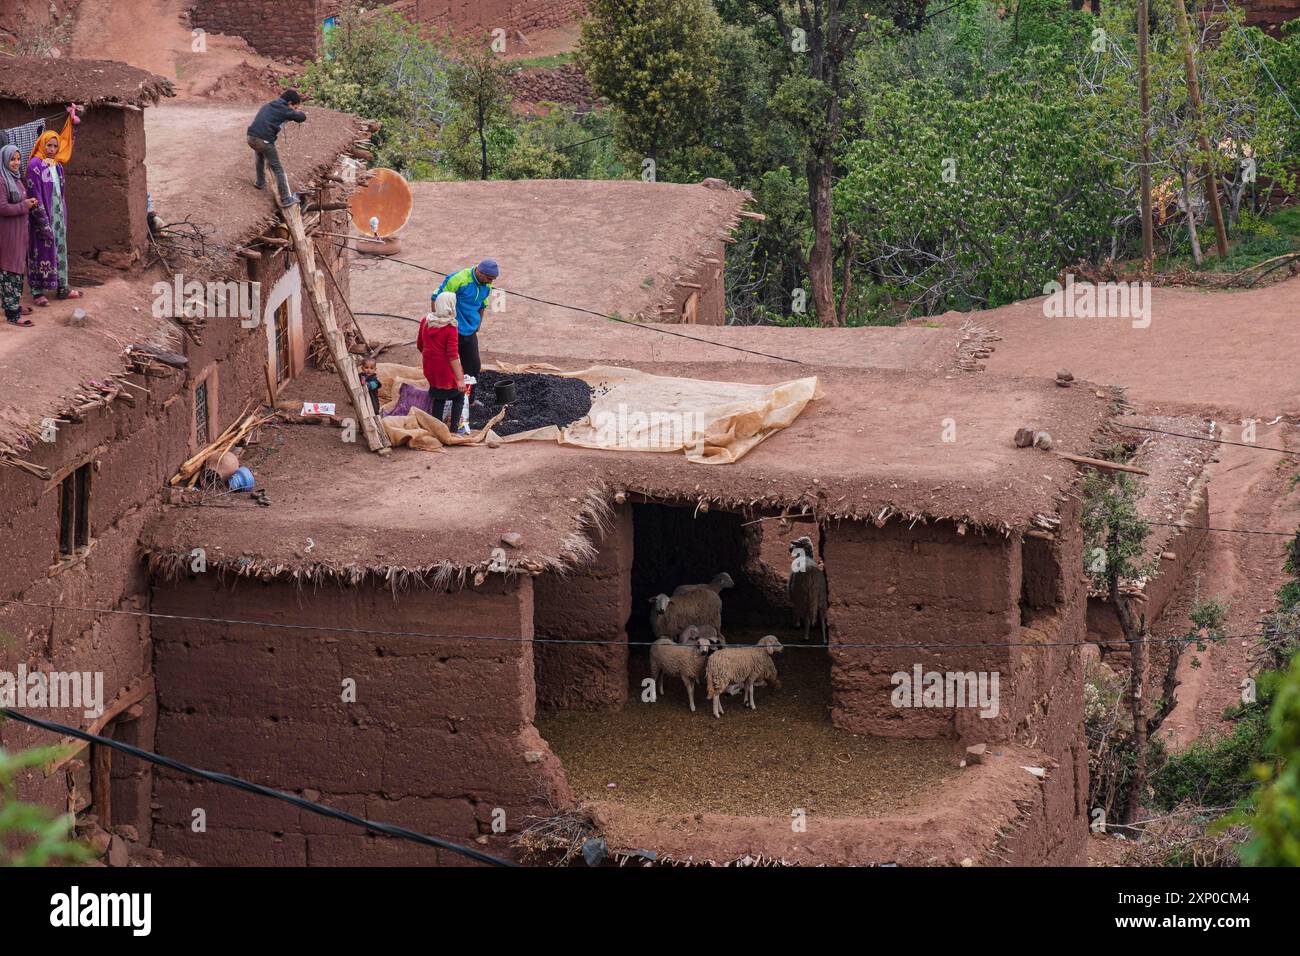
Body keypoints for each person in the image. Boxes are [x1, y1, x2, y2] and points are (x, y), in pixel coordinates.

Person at [432, 258, 498, 434]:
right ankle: (444, 400)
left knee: (473, 365)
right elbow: (437, 298)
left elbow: (482, 306)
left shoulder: (487, 286)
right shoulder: (459, 279)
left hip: (469, 331)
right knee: (449, 364)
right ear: (480, 273)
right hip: (452, 328)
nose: (491, 283)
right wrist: (441, 324)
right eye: (489, 278)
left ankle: (470, 399)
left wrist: (478, 325)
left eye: (493, 280)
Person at [25, 116, 80, 305]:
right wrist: (42, 220)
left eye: (55, 146)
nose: (52, 149)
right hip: (42, 215)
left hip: (57, 213)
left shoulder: (57, 166)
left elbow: (60, 193)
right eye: (48, 145)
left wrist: (61, 214)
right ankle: (38, 292)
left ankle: (62, 287)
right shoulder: (34, 166)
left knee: (60, 249)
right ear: (42, 144)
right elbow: (35, 194)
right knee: (40, 250)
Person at [1, 143, 50, 326]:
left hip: (19, 232)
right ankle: (12, 313)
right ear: (4, 160)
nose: (15, 163)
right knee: (10, 270)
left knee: (18, 268)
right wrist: (25, 206)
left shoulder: (15, 179)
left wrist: (29, 202)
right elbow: (2, 207)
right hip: (8, 233)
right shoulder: (2, 180)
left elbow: (19, 201)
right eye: (12, 159)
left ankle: (15, 304)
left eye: (18, 159)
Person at [247, 89, 307, 207]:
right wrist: (297, 112)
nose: (294, 109)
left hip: (250, 137)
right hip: (263, 140)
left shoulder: (269, 105)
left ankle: (260, 182)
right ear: (290, 103)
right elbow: (302, 117)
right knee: (278, 169)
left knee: (260, 156)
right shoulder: (285, 110)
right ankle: (286, 198)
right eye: (295, 107)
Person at [417, 291, 468, 430]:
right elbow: (453, 355)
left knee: (439, 398)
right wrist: (460, 379)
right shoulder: (450, 327)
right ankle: (453, 429)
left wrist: (431, 358)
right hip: (446, 371)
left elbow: (419, 345)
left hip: (430, 368)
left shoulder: (425, 321)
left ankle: (437, 430)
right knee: (459, 396)